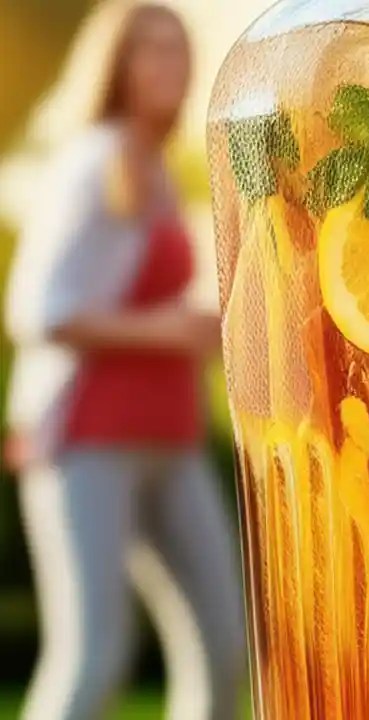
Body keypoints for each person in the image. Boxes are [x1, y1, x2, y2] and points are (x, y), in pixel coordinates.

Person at [3, 2, 246, 718]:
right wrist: (169, 331)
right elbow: (37, 310)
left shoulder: (153, 166)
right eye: (151, 51)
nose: (171, 65)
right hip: (90, 440)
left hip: (169, 436)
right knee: (93, 656)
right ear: (115, 66)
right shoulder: (92, 161)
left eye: (178, 50)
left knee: (224, 641)